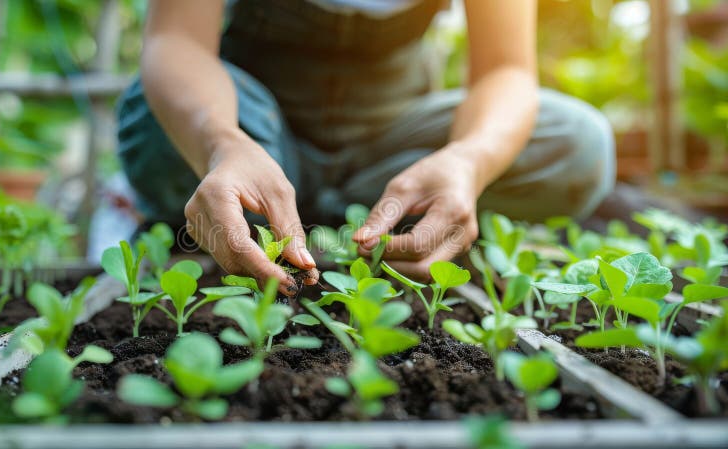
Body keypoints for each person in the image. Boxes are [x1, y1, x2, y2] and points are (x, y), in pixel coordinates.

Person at [116, 0, 615, 295]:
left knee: (575, 143)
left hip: (388, 147)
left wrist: (470, 159)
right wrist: (221, 143)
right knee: (157, 115)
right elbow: (177, 41)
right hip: (256, 131)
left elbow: (505, 69)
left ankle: (327, 225)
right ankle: (260, 207)